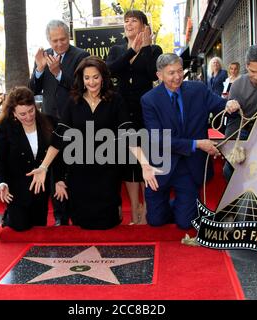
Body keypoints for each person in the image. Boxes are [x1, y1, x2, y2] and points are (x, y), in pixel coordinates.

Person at [28, 56, 159, 230]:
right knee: (82, 224)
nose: (91, 82)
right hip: (79, 172)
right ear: (81, 79)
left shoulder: (116, 100)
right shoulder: (73, 101)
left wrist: (144, 163)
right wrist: (44, 167)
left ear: (103, 77)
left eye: (96, 77)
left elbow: (128, 132)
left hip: (108, 170)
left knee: (108, 223)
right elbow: (59, 137)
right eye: (87, 77)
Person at [141, 53, 240, 229]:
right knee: (156, 221)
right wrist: (197, 144)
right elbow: (158, 139)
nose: (177, 76)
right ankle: (178, 207)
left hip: (189, 167)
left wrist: (230, 104)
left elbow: (220, 104)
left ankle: (185, 208)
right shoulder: (149, 100)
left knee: (186, 223)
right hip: (161, 165)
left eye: (180, 71)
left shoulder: (198, 90)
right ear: (159, 75)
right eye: (171, 73)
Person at [28, 19, 89, 226]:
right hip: (48, 121)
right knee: (53, 168)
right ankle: (60, 216)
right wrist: (38, 69)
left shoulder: (81, 55)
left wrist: (59, 73)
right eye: (55, 41)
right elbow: (33, 89)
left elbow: (83, 87)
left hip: (73, 120)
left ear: (68, 36)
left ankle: (78, 211)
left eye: (63, 39)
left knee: (74, 167)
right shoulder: (43, 55)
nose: (59, 44)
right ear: (48, 40)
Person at [106, 9, 163, 225]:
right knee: (128, 160)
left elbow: (151, 73)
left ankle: (147, 206)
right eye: (126, 21)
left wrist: (146, 48)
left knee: (144, 158)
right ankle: (134, 207)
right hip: (121, 108)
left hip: (145, 108)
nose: (129, 24)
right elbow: (110, 70)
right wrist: (132, 51)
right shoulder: (117, 49)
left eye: (134, 21)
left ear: (144, 26)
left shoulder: (154, 49)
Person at [0, 87, 57, 231]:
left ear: (35, 106)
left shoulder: (48, 122)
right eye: (22, 114)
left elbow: (58, 149)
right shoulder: (6, 127)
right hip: (16, 187)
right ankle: (9, 216)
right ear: (13, 112)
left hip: (40, 187)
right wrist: (2, 182)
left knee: (39, 228)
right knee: (20, 227)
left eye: (31, 111)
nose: (28, 117)